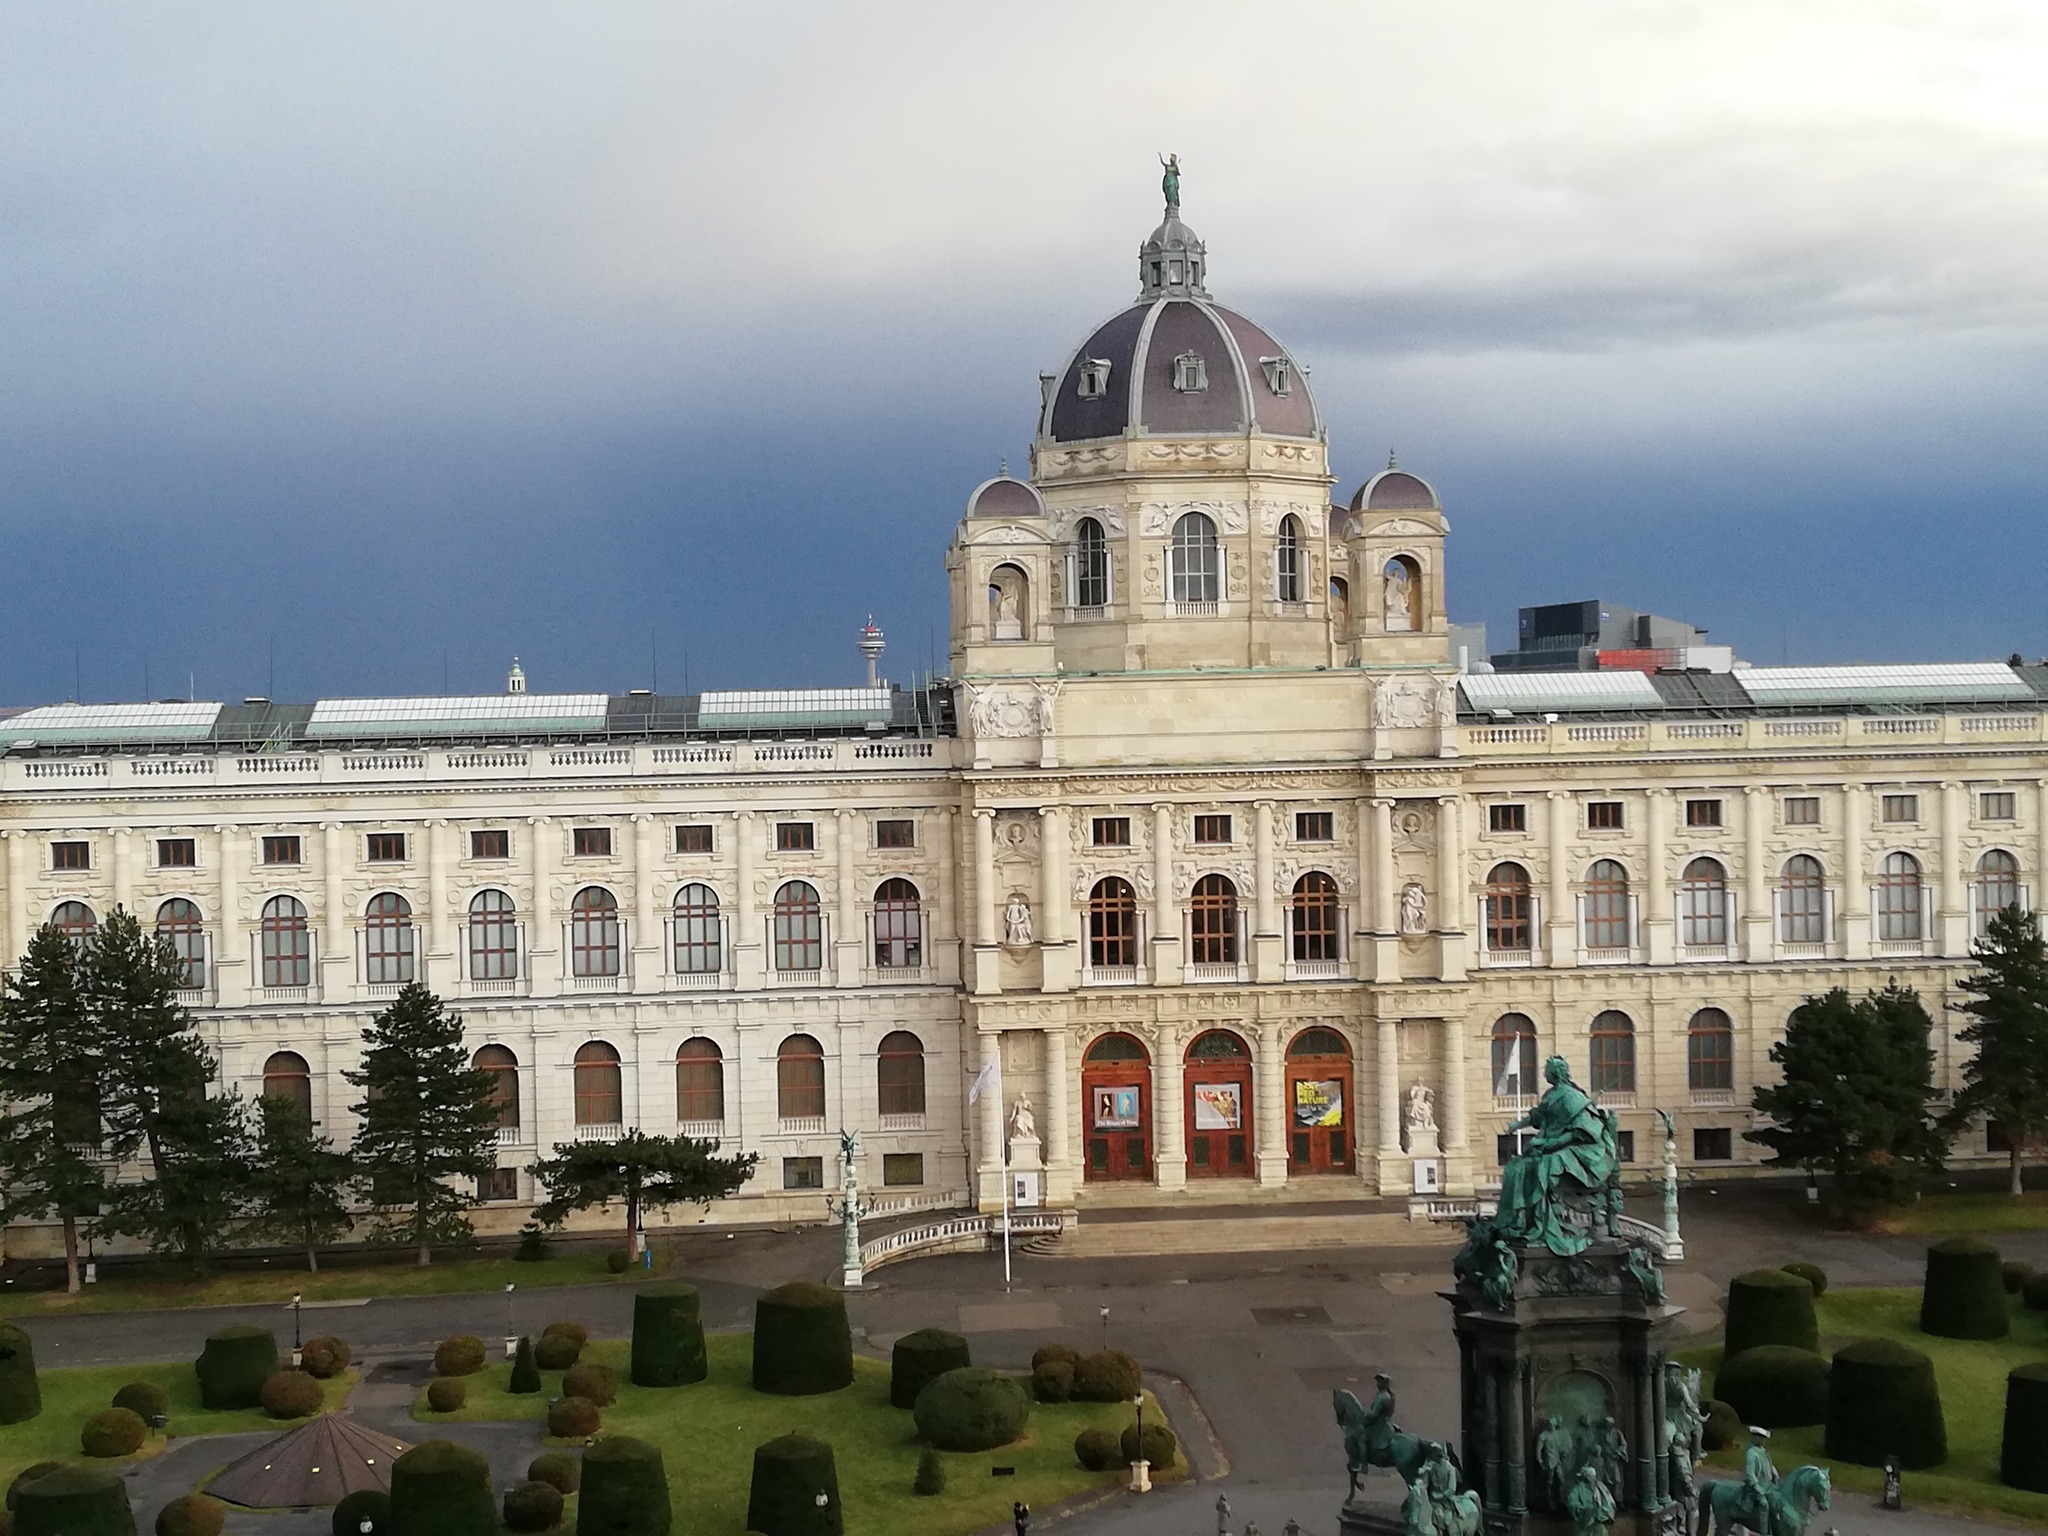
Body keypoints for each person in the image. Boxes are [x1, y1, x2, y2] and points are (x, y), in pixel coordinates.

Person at [1494, 1055, 1617, 1255]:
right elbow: (1538, 1116)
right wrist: (1517, 1125)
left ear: (1555, 1073)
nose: (1543, 1072)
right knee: (1516, 1167)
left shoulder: (1573, 1097)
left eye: (1546, 1069)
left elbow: (1582, 1132)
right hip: (1555, 1146)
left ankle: (1542, 1225)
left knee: (1544, 1166)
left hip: (1583, 1151)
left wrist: (1550, 1143)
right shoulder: (1551, 1094)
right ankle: (1518, 1222)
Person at [1742, 1426, 1779, 1535]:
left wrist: (1775, 1473)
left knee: (1780, 1500)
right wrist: (1757, 1488)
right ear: (1755, 1438)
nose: (1763, 1441)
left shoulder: (1763, 1452)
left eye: (1764, 1438)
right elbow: (1750, 1473)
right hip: (1756, 1488)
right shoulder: (1751, 1453)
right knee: (1764, 1505)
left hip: (1769, 1486)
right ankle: (1764, 1532)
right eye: (1761, 1438)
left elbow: (1769, 1465)